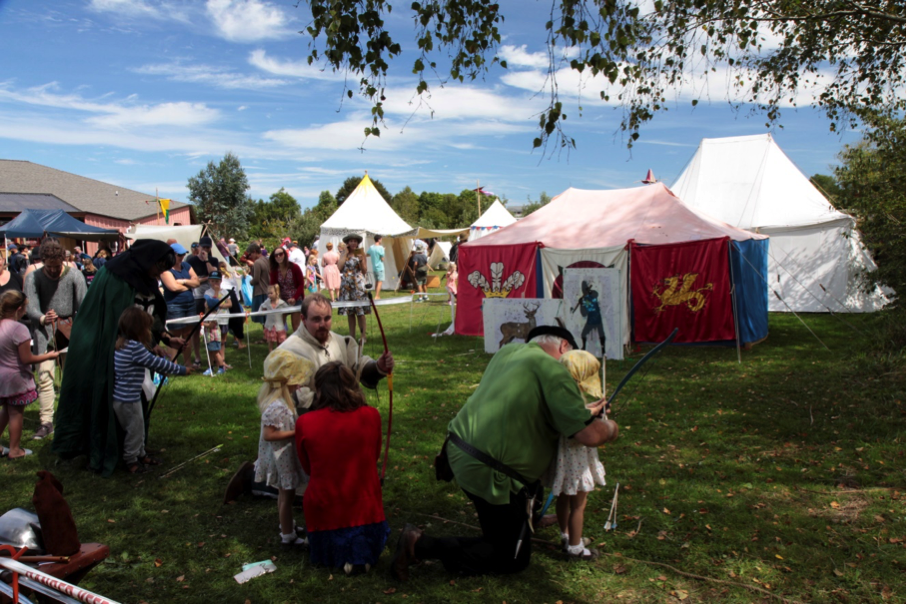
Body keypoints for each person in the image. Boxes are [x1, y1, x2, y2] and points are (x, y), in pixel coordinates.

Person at [390, 325, 619, 581]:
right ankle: (418, 544)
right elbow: (588, 436)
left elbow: (532, 407)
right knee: (511, 557)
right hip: (489, 472)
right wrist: (610, 427)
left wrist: (581, 411)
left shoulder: (509, 352)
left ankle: (526, 516)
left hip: (459, 451)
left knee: (509, 526)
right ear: (565, 347)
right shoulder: (553, 370)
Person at [222, 294, 394, 503]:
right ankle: (251, 478)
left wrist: (378, 367)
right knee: (307, 491)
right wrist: (339, 406)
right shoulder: (289, 351)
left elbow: (358, 364)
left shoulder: (339, 341)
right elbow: (298, 399)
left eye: (327, 318)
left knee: (339, 484)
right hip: (307, 426)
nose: (323, 325)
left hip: (338, 421)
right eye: (316, 319)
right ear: (302, 319)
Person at [53, 240, 184, 477]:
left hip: (134, 357)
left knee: (138, 404)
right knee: (114, 403)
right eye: (159, 267)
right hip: (110, 353)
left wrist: (162, 337)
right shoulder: (114, 277)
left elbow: (147, 316)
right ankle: (114, 450)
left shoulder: (145, 278)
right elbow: (115, 321)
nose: (160, 273)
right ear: (148, 260)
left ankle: (136, 450)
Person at [296, 361, 391, 572]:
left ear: (319, 390)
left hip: (324, 506)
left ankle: (333, 550)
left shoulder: (305, 422)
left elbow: (308, 468)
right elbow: (373, 457)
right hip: (365, 506)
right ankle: (358, 555)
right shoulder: (371, 415)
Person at [546, 350, 609, 560]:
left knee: (564, 497)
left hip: (566, 457)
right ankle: (575, 547)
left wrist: (592, 409)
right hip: (576, 458)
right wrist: (595, 412)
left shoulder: (561, 391)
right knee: (578, 505)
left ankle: (566, 535)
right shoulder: (568, 395)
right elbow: (577, 417)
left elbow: (576, 411)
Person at [24, 239, 88, 441]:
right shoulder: (33, 277)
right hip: (44, 333)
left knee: (72, 377)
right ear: (42, 262)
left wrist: (78, 331)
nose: (52, 270)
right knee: (45, 378)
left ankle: (72, 417)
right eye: (48, 266)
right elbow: (30, 306)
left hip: (70, 330)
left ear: (63, 261)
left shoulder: (74, 275)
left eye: (56, 266)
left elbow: (83, 305)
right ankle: (46, 422)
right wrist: (42, 318)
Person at [113, 306, 189, 474]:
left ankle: (141, 454)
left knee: (138, 427)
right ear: (139, 330)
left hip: (122, 398)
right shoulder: (135, 347)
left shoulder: (122, 344)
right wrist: (182, 370)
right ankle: (131, 461)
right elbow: (156, 363)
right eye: (146, 328)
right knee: (135, 430)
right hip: (129, 400)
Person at [255, 349, 315, 548]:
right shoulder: (277, 406)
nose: (299, 385)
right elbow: (269, 435)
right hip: (281, 457)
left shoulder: (280, 402)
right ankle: (288, 536)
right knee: (287, 496)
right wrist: (296, 432)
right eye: (295, 380)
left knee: (284, 495)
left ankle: (286, 525)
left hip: (283, 455)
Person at [0, 291, 60, 459]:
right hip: (15, 379)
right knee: (16, 414)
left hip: (1, 377)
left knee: (5, 410)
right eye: (26, 307)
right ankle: (15, 449)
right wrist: (49, 355)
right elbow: (27, 358)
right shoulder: (19, 329)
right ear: (19, 309)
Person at [159, 243, 200, 367]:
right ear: (172, 255)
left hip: (190, 304)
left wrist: (183, 281)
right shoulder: (165, 270)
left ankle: (187, 364)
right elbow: (173, 287)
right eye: (179, 255)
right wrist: (189, 285)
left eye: (183, 254)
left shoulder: (186, 266)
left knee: (187, 334)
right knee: (174, 336)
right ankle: (173, 365)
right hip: (174, 305)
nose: (182, 257)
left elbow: (197, 282)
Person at [187, 237, 218, 366]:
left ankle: (214, 357)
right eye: (203, 247)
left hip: (210, 296)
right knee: (195, 328)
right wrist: (203, 279)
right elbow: (190, 279)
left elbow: (214, 274)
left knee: (212, 327)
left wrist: (206, 261)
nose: (205, 250)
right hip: (196, 297)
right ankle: (197, 358)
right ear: (199, 247)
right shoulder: (191, 260)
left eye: (207, 248)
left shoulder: (213, 260)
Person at [338, 234, 370, 343]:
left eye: (355, 241)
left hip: (358, 285)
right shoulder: (344, 253)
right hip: (347, 285)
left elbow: (365, 271)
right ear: (347, 243)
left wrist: (361, 261)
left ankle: (363, 336)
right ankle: (351, 336)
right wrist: (344, 254)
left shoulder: (361, 253)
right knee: (350, 312)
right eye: (351, 241)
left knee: (360, 312)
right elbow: (339, 268)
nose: (353, 243)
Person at [269, 246, 305, 333]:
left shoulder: (295, 267)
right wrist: (277, 299)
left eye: (280, 254)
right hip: (282, 299)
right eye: (276, 255)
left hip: (296, 298)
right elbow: (273, 286)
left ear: (285, 255)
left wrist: (295, 298)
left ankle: (297, 344)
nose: (278, 257)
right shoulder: (274, 270)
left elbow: (301, 284)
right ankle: (281, 343)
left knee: (295, 326)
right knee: (279, 325)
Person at [203, 270, 233, 372]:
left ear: (220, 281)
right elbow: (210, 304)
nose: (215, 283)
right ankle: (217, 361)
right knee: (213, 341)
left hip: (224, 318)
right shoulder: (208, 292)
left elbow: (230, 303)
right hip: (214, 320)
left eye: (217, 281)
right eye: (212, 281)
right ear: (209, 281)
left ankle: (222, 360)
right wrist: (216, 294)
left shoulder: (224, 292)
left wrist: (222, 305)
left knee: (222, 341)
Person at [218, 262, 247, 350]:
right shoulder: (229, 275)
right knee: (235, 319)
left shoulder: (228, 275)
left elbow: (235, 285)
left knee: (229, 318)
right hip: (228, 293)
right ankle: (237, 342)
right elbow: (235, 286)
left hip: (224, 293)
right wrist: (237, 299)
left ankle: (229, 341)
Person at [246, 243, 270, 332]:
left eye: (251, 254)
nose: (250, 256)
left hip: (260, 291)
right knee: (267, 315)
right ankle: (267, 335)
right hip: (269, 290)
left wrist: (250, 282)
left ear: (255, 252)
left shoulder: (257, 262)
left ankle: (265, 336)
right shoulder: (266, 260)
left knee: (263, 316)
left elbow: (256, 279)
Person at [260, 284, 289, 352]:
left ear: (277, 293)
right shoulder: (267, 302)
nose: (269, 295)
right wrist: (261, 312)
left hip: (279, 326)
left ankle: (279, 353)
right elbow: (261, 307)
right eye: (268, 293)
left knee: (280, 341)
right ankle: (270, 352)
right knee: (270, 341)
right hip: (269, 326)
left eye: (271, 293)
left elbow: (288, 309)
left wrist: (285, 313)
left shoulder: (282, 303)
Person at [367, 235, 386, 300]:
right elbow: (382, 258)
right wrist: (383, 250)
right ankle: (377, 295)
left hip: (374, 267)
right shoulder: (380, 248)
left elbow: (367, 254)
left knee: (376, 281)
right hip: (380, 267)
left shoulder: (371, 247)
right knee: (380, 282)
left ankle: (377, 295)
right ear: (379, 239)